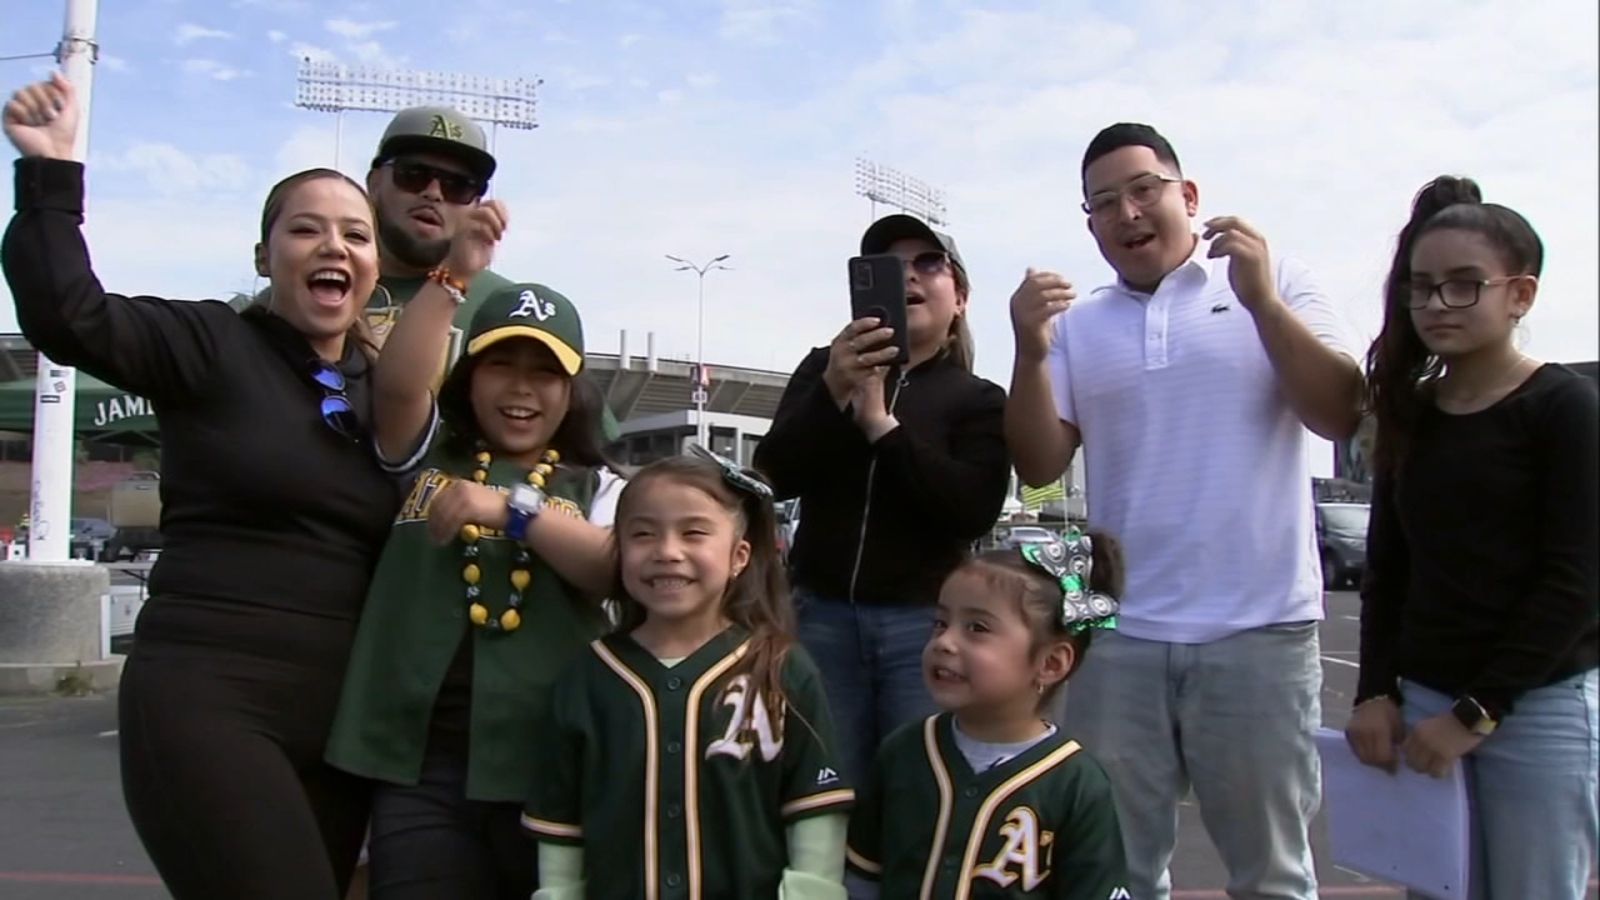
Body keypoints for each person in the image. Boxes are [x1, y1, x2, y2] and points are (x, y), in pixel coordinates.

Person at [4, 74, 404, 898]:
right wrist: (50, 175)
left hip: (340, 725)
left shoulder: (388, 393)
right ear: (264, 256)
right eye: (306, 229)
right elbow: (70, 315)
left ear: (374, 266)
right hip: (209, 695)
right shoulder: (211, 342)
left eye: (356, 235)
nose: (334, 247)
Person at [1005, 122, 1364, 900]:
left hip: (1260, 628)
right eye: (1104, 203)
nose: (1127, 213)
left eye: (1144, 190)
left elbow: (1339, 412)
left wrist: (1262, 302)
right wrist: (1029, 351)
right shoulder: (1078, 325)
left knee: (1271, 873)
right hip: (1119, 632)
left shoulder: (1279, 277)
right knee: (1112, 870)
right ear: (1090, 224)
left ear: (1189, 195)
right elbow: (1038, 465)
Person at [325, 215, 623, 899]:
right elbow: (398, 387)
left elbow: (614, 567)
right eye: (501, 365)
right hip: (421, 769)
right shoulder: (425, 455)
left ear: (572, 391)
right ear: (468, 377)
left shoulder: (599, 487)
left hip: (555, 764)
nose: (521, 389)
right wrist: (454, 274)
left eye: (545, 373)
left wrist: (513, 510)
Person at [1346, 176, 1600, 900]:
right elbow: (1388, 573)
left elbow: (1575, 582)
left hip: (1538, 705)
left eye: (1463, 286)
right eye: (1421, 287)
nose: (1436, 304)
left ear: (1520, 294)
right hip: (1425, 706)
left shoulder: (1564, 407)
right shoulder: (1412, 413)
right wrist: (1375, 692)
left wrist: (1476, 711)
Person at [524, 448, 856, 900]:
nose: (667, 551)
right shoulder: (586, 678)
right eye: (643, 534)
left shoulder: (782, 667)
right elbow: (561, 829)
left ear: (739, 556)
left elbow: (814, 811)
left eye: (693, 533)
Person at [753, 214, 1011, 786]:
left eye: (929, 263)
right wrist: (833, 390)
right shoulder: (825, 366)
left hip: (922, 623)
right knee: (824, 780)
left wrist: (882, 428)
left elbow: (973, 508)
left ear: (960, 298)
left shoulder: (979, 398)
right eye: (889, 267)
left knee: (916, 782)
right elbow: (775, 474)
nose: (909, 276)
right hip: (821, 614)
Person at [846, 532, 1132, 900]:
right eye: (940, 622)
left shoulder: (1078, 784)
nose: (944, 642)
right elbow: (863, 879)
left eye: (977, 628)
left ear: (1050, 663)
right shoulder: (902, 751)